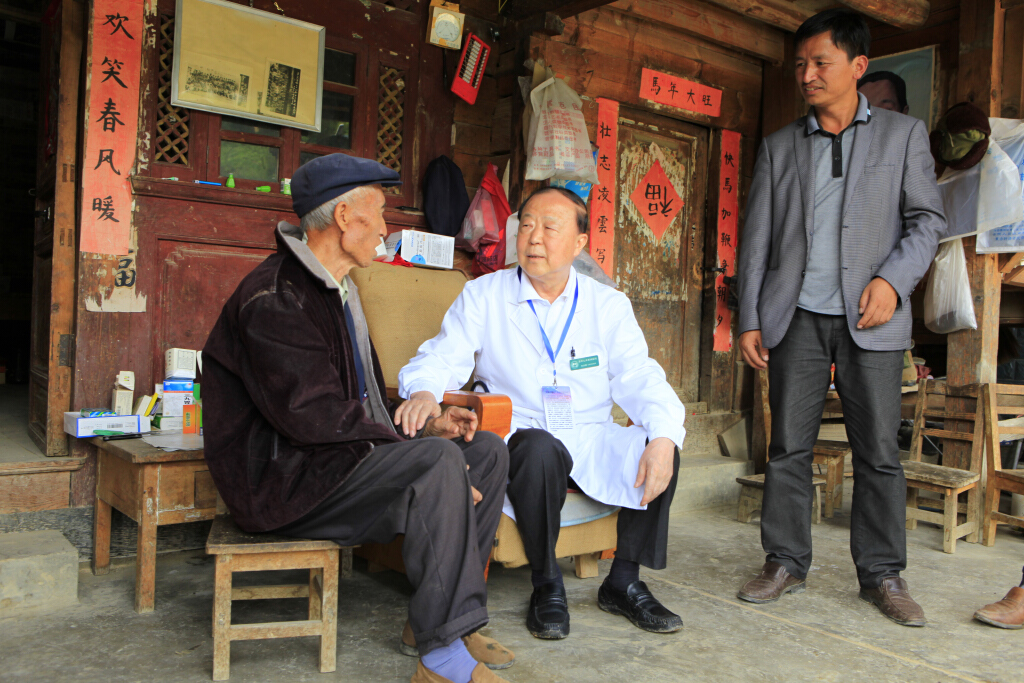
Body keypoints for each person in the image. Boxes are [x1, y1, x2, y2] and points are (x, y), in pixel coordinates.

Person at [202, 153, 514, 683]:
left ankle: (440, 623)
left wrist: (426, 425)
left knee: (484, 451)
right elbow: (312, 416)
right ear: (344, 217)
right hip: (285, 482)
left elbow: (358, 405)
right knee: (437, 463)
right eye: (380, 215)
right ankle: (440, 664)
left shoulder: (341, 291)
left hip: (335, 462)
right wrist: (417, 451)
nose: (387, 230)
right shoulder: (276, 296)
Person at [396, 187, 686, 640]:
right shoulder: (484, 295)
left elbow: (640, 376)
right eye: (525, 225)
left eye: (550, 228)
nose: (533, 238)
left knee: (661, 440)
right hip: (522, 432)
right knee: (539, 447)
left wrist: (665, 436)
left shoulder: (607, 305)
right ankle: (547, 582)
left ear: (579, 242)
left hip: (588, 432)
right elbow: (442, 356)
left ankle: (623, 581)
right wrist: (424, 391)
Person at [735, 9, 945, 627]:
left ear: (856, 67)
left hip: (872, 316)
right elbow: (757, 242)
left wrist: (891, 280)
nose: (807, 75)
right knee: (787, 448)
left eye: (819, 63)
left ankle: (882, 574)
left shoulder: (903, 137)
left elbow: (927, 221)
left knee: (878, 451)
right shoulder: (779, 146)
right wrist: (750, 317)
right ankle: (785, 562)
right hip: (795, 315)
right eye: (800, 64)